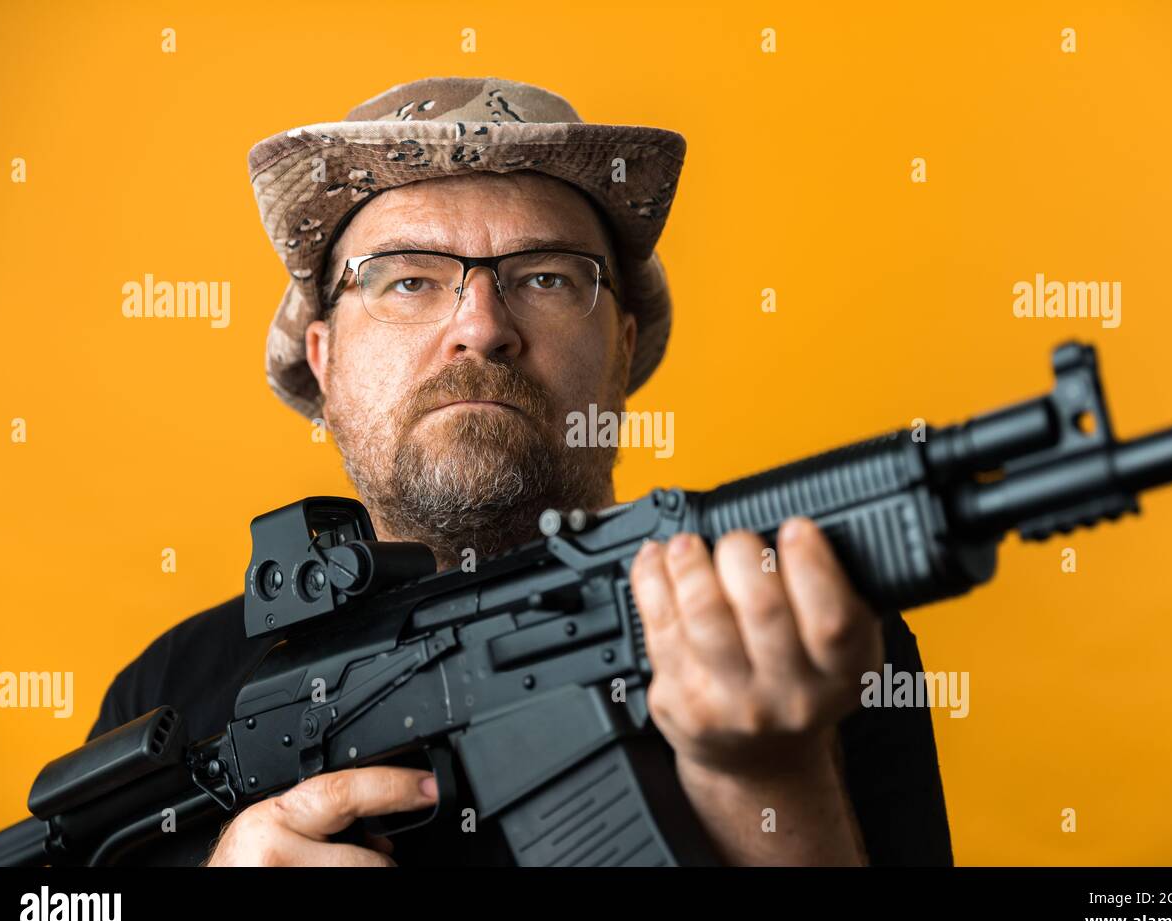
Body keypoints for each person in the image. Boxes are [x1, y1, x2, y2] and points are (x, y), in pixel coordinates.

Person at [87, 77, 953, 866]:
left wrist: (773, 781)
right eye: (407, 281)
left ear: (620, 351)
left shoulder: (790, 610)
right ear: (325, 361)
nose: (481, 325)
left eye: (545, 276)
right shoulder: (169, 689)